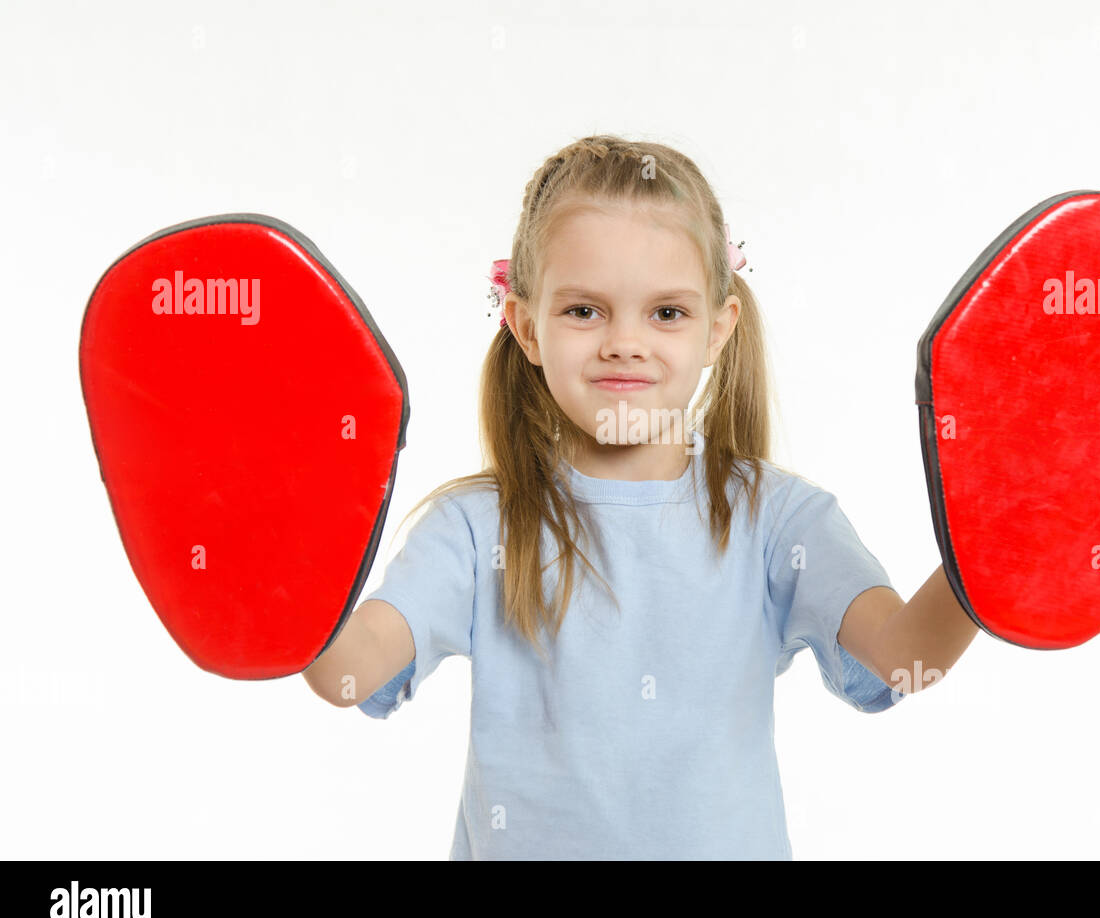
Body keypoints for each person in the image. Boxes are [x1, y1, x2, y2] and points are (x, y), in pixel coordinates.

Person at [302, 133, 979, 859]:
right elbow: (351, 671)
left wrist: (1008, 529)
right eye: (585, 311)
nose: (625, 341)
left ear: (719, 328)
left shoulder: (779, 521)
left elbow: (906, 656)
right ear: (525, 326)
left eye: (666, 313)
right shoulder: (474, 529)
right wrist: (278, 555)